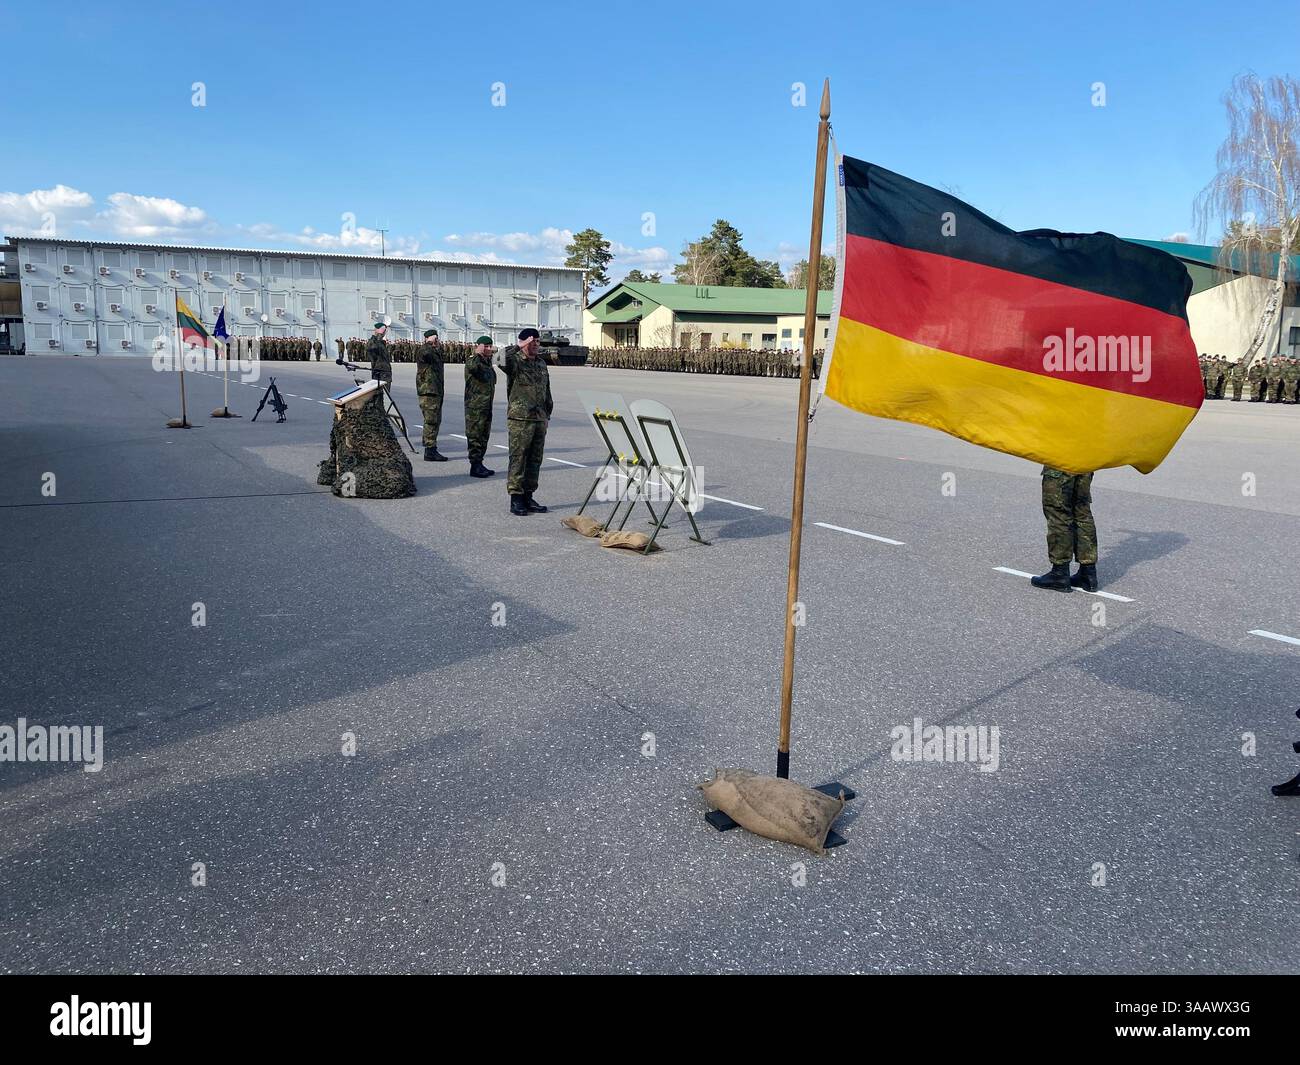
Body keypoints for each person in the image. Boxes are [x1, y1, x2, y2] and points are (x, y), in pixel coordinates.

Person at [500, 327, 552, 515]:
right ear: (524, 343)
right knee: (518, 458)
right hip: (520, 419)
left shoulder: (540, 364)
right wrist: (518, 346)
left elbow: (547, 390)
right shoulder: (515, 362)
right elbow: (497, 359)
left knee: (535, 459)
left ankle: (528, 496)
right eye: (533, 342)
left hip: (539, 418)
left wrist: (547, 414)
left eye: (538, 341)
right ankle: (516, 499)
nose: (537, 345)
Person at [1030, 466, 1098, 592]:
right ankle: (1088, 573)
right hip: (1086, 461)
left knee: (1058, 513)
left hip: (1061, 461)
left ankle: (1059, 574)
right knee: (1082, 512)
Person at [464, 335, 497, 478]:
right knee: (475, 436)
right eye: (486, 346)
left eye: (490, 346)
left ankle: (480, 463)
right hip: (475, 407)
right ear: (479, 346)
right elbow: (472, 367)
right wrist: (478, 352)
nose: (489, 349)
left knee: (484, 436)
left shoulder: (487, 362)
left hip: (486, 405)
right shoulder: (473, 360)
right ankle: (475, 466)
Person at [416, 329, 447, 461]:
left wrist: (437, 345)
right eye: (435, 339)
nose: (436, 341)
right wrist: (430, 343)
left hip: (436, 390)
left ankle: (429, 446)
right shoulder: (423, 350)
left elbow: (439, 356)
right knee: (431, 421)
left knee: (435, 420)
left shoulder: (435, 351)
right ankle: (430, 450)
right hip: (428, 391)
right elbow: (426, 354)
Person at [367, 322, 392, 388]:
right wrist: (378, 335)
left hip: (385, 374)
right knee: (379, 396)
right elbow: (373, 353)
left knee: (385, 396)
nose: (384, 333)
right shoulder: (373, 342)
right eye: (384, 330)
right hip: (380, 374)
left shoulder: (381, 343)